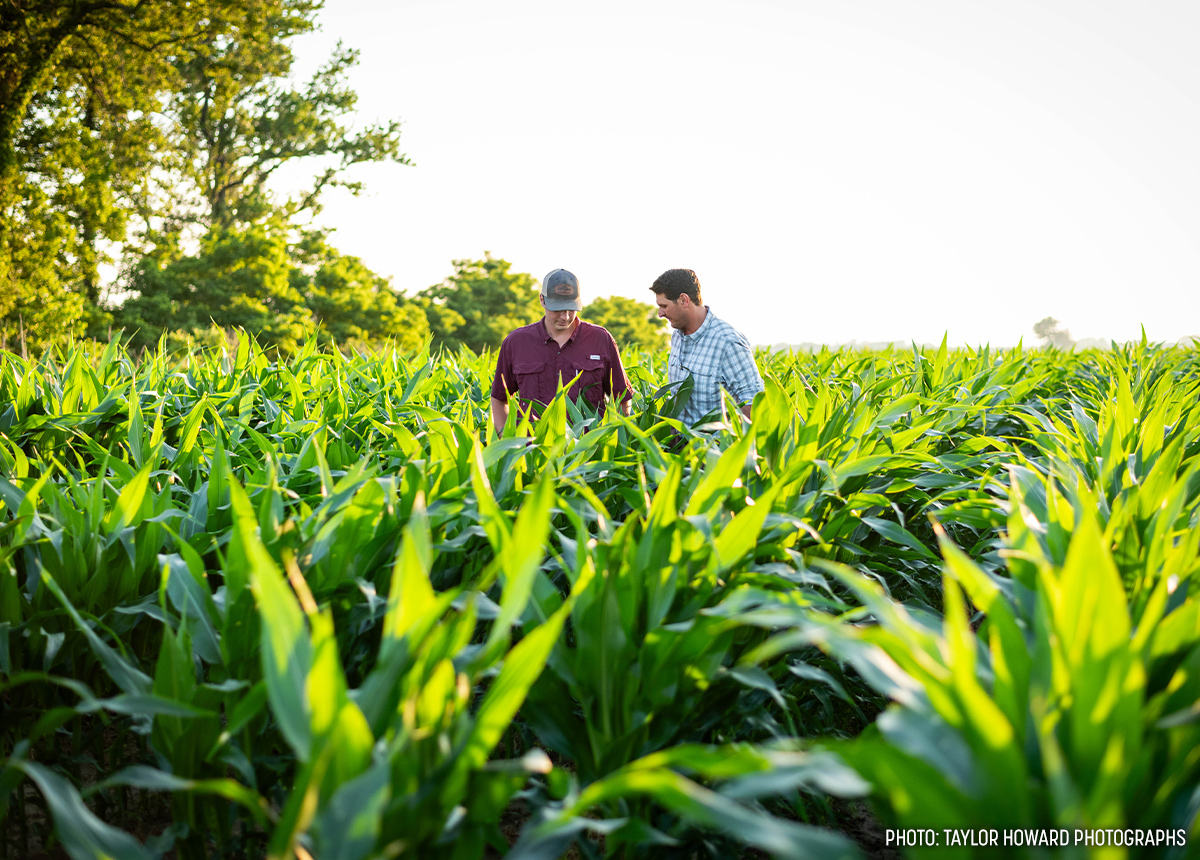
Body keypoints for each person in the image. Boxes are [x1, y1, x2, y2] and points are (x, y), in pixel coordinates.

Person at [491, 268, 632, 430]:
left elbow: (622, 397)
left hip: (588, 450)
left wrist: (615, 438)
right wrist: (504, 438)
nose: (565, 317)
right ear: (542, 300)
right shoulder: (516, 342)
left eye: (570, 309)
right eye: (557, 309)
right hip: (532, 450)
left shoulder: (600, 339)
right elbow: (499, 397)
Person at [650, 268, 764, 424]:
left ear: (684, 300)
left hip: (714, 446)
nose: (660, 313)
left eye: (664, 306)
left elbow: (754, 402)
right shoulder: (677, 336)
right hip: (679, 445)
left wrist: (725, 442)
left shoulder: (728, 342)